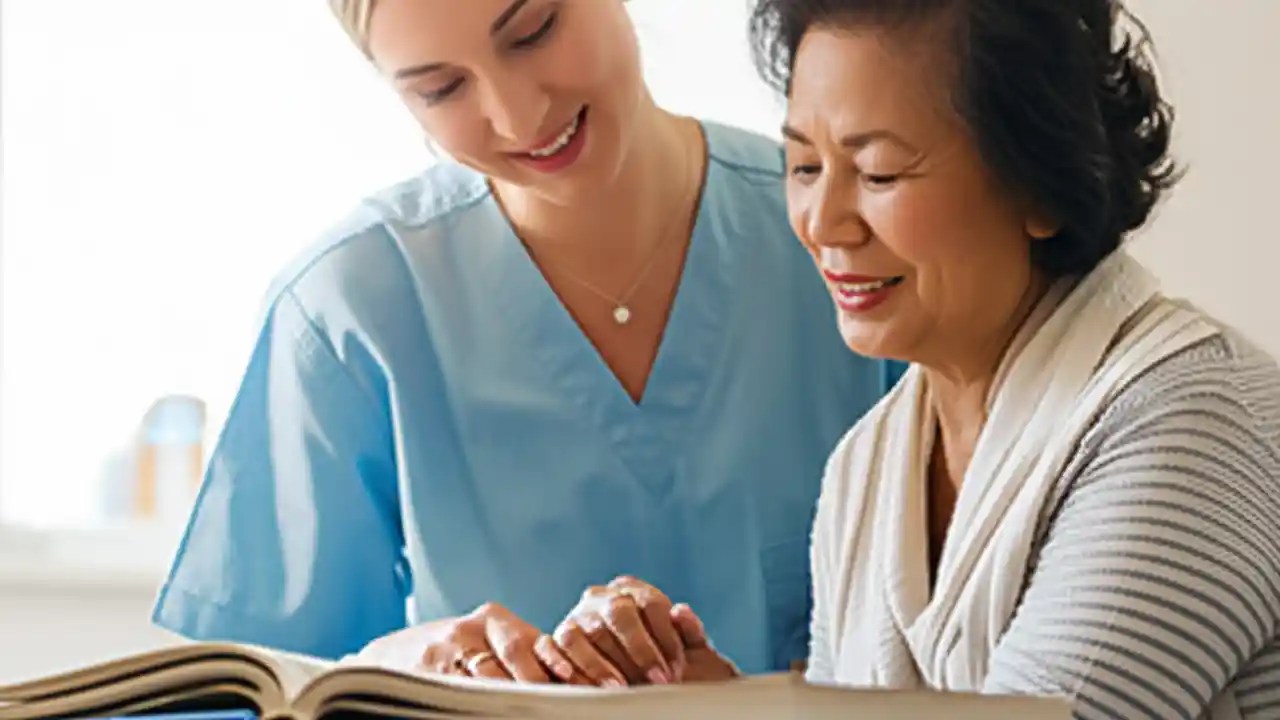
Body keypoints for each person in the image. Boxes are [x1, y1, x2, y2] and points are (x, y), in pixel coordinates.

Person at [547, 0, 1280, 715]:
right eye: (804, 165)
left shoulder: (1190, 427)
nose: (824, 223)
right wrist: (697, 697)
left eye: (880, 174)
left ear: (1042, 182)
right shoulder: (868, 468)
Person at [150, 0, 900, 684]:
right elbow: (260, 684)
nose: (517, 117)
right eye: (441, 89)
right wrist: (401, 660)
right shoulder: (350, 309)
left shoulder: (850, 244)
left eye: (534, 30)